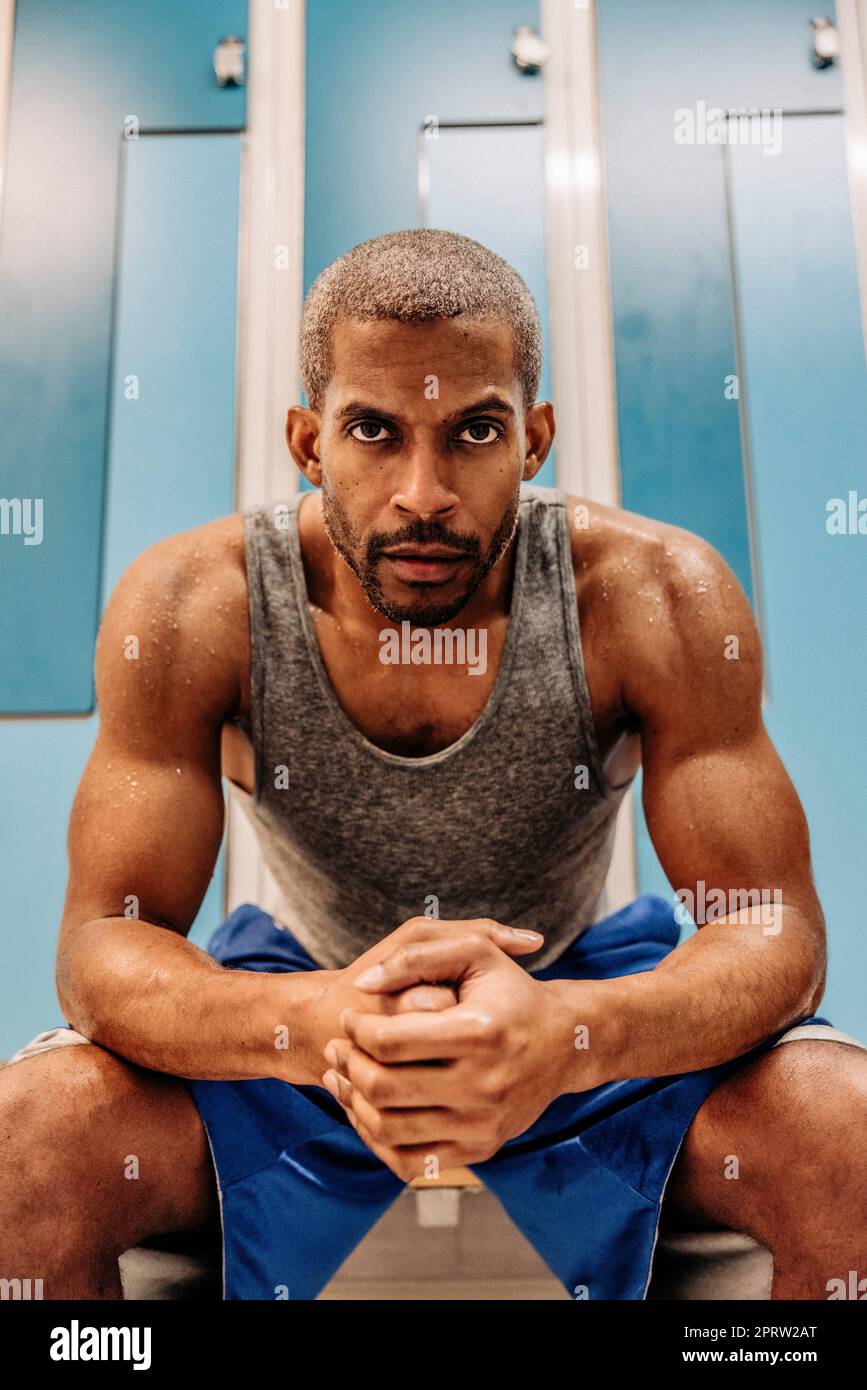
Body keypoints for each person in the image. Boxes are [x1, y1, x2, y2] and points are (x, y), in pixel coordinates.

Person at [2, 229, 865, 1301]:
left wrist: (572, 1033)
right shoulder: (193, 607)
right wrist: (321, 1022)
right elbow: (103, 941)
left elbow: (776, 928)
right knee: (29, 1137)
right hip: (305, 1016)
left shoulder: (659, 594)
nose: (424, 492)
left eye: (474, 431)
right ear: (309, 442)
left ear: (535, 438)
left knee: (847, 1131)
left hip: (578, 1004)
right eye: (374, 430)